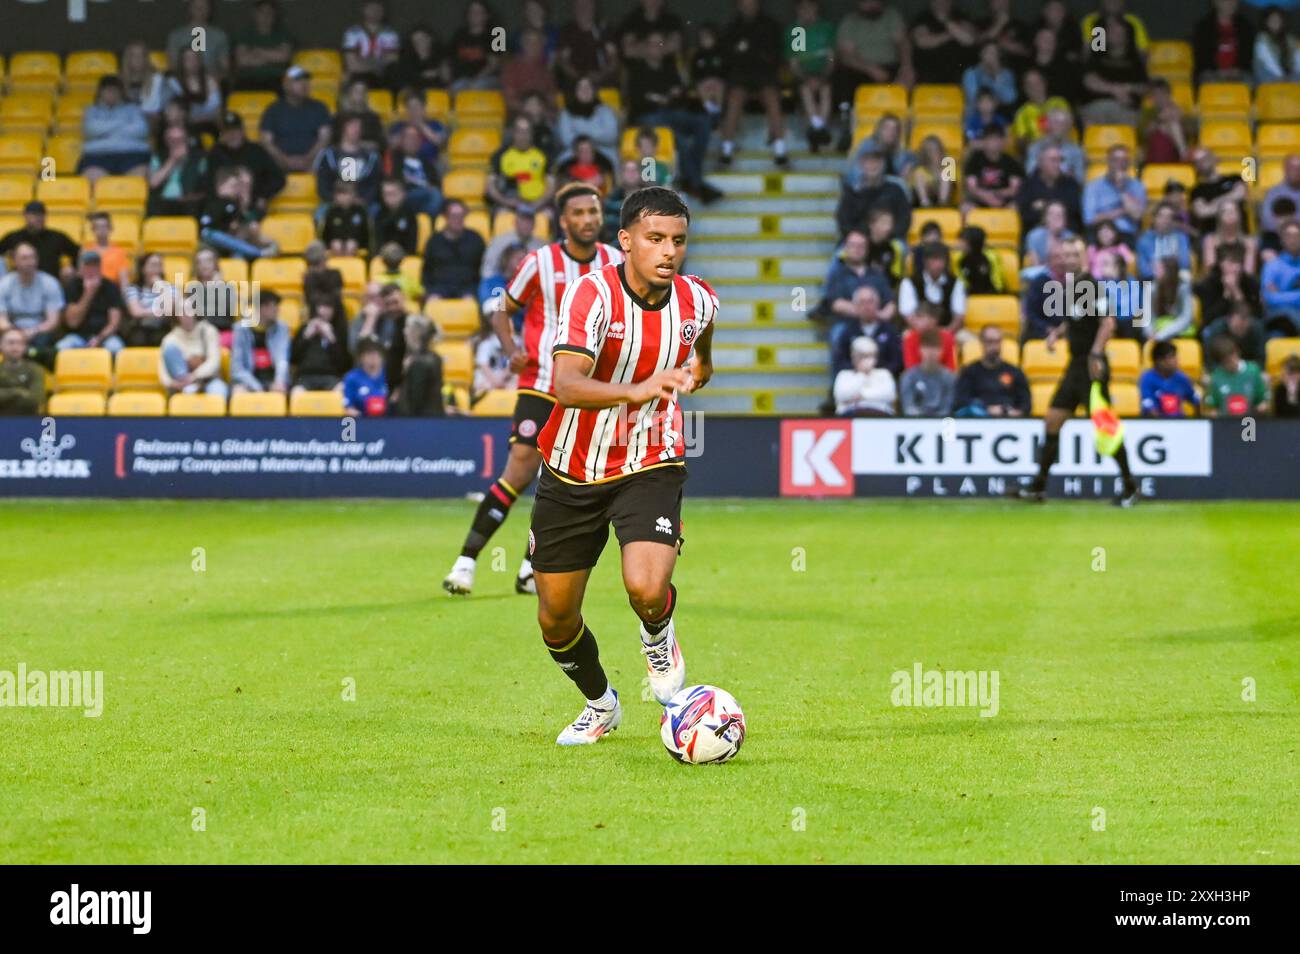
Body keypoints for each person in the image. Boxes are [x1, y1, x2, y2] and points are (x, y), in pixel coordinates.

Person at [524, 186, 716, 746]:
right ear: (626, 241)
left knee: (646, 587)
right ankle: (601, 704)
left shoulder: (698, 299)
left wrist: (698, 368)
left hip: (651, 458)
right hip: (571, 467)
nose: (669, 251)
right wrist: (638, 388)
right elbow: (565, 385)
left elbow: (703, 345)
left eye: (678, 240)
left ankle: (658, 636)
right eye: (655, 239)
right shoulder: (592, 295)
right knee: (556, 619)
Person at [444, 182, 622, 597]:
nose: (587, 219)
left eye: (593, 212)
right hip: (543, 382)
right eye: (578, 213)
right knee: (521, 467)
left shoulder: (615, 261)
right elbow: (502, 308)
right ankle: (466, 562)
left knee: (573, 481)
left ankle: (529, 567)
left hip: (591, 389)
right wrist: (511, 350)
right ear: (563, 221)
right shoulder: (539, 262)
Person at [1012, 239, 1140, 505]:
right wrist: (1056, 334)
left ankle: (1130, 487)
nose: (1067, 259)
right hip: (1075, 365)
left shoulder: (1090, 285)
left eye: (1073, 254)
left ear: (1083, 257)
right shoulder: (1072, 286)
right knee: (1053, 419)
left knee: (1105, 427)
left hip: (1090, 366)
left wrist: (1095, 354)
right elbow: (1075, 320)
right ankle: (1038, 486)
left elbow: (1108, 324)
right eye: (1063, 255)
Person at [625, 29, 722, 201]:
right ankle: (696, 183)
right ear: (645, 47)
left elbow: (683, 93)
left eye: (660, 44)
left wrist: (673, 95)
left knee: (703, 122)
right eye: (652, 44)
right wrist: (656, 99)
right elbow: (635, 101)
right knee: (679, 138)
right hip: (648, 116)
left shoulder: (670, 66)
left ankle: (692, 175)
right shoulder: (636, 70)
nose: (656, 48)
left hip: (671, 112)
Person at [717, 0, 788, 168]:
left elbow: (774, 55)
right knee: (734, 99)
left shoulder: (771, 25)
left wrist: (749, 53)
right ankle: (726, 151)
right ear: (739, 5)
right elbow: (728, 56)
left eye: (752, 2)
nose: (748, 6)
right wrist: (750, 55)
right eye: (744, 3)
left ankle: (780, 151)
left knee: (772, 99)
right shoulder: (732, 26)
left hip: (764, 75)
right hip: (741, 76)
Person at [1078, 11, 1148, 127]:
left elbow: (1144, 87)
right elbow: (1088, 81)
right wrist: (1115, 90)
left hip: (1127, 109)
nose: (1115, 36)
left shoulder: (1134, 59)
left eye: (1119, 33)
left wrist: (1128, 87)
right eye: (1111, 32)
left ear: (1126, 36)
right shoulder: (1097, 53)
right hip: (1097, 106)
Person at [259, 66, 332, 174]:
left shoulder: (319, 108)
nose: (304, 84)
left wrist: (307, 159)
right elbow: (266, 142)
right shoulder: (273, 110)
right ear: (285, 84)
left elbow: (324, 138)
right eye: (297, 80)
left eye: (306, 80)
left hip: (313, 164)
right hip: (280, 165)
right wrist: (284, 160)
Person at [207, 112, 285, 213]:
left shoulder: (256, 151)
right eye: (228, 131)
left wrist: (262, 196)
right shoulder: (215, 154)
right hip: (222, 209)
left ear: (243, 130)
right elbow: (207, 182)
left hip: (252, 207)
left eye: (236, 130)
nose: (232, 135)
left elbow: (278, 178)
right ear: (222, 134)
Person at [78, 76, 151, 183]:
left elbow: (141, 130)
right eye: (108, 90)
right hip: (98, 156)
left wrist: (104, 131)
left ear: (120, 92)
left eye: (115, 90)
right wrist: (123, 124)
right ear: (100, 92)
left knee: (141, 175)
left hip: (132, 155)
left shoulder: (133, 109)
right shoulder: (91, 111)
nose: (111, 94)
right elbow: (91, 130)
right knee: (92, 176)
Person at [786, 0, 835, 151]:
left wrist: (823, 76)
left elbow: (832, 58)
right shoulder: (796, 30)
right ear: (797, 10)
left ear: (817, 8)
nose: (807, 11)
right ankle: (819, 128)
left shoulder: (826, 28)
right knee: (806, 90)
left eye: (810, 7)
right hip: (803, 76)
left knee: (825, 89)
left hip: (824, 74)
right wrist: (806, 78)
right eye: (803, 8)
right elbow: (794, 63)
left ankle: (815, 130)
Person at [199, 166, 277, 260]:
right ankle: (259, 253)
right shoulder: (214, 202)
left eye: (238, 186)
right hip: (212, 237)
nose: (236, 190)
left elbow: (242, 223)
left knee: (239, 254)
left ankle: (238, 268)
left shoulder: (238, 205)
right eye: (234, 186)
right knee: (216, 237)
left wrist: (244, 203)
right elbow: (207, 225)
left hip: (233, 242)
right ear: (220, 186)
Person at [952, 325, 1030, 417]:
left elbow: (1026, 402)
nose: (994, 346)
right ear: (982, 343)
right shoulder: (969, 372)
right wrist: (986, 409)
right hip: (978, 420)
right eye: (990, 342)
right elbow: (961, 400)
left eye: (997, 341)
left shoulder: (1015, 372)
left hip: (1009, 421)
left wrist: (1016, 412)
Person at [57, 251, 126, 355]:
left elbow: (114, 323)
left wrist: (99, 338)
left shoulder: (110, 287)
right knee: (61, 347)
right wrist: (88, 293)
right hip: (78, 335)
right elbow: (72, 322)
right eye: (88, 266)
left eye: (95, 266)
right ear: (80, 269)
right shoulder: (72, 286)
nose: (92, 270)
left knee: (116, 347)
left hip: (104, 336)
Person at [835, 146, 911, 240]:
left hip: (890, 240)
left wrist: (887, 235)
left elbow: (904, 219)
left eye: (877, 161)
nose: (873, 165)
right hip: (859, 242)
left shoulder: (896, 190)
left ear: (883, 163)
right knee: (841, 253)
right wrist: (865, 237)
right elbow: (844, 223)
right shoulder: (852, 193)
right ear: (861, 164)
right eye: (869, 161)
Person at [0, 243, 64, 350]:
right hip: (11, 330)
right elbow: (1, 319)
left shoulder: (50, 282)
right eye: (25, 258)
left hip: (40, 332)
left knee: (45, 341)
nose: (30, 262)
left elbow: (53, 321)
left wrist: (34, 331)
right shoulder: (4, 284)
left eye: (32, 257)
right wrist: (16, 333)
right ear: (15, 261)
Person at [159, 299, 227, 398]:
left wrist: (194, 376)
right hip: (181, 384)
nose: (186, 314)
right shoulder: (169, 339)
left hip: (208, 380)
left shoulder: (208, 331)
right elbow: (163, 372)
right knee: (170, 350)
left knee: (218, 391)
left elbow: (214, 362)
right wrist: (172, 383)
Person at [828, 284, 902, 376]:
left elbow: (897, 361)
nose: (867, 306)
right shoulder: (848, 331)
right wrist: (858, 370)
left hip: (883, 378)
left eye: (870, 302)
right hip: (854, 378)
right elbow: (840, 361)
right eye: (862, 302)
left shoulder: (890, 330)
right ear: (855, 306)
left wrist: (877, 372)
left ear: (878, 304)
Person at [486, 116, 555, 215]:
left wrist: (537, 203)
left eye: (527, 131)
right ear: (513, 133)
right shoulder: (500, 155)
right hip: (509, 205)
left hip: (538, 205)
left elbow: (551, 186)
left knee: (548, 215)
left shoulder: (543, 155)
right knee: (501, 215)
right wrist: (506, 201)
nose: (523, 136)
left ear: (532, 134)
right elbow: (490, 186)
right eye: (519, 131)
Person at [898, 242, 967, 339]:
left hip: (948, 331)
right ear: (925, 261)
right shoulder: (909, 282)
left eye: (941, 259)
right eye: (934, 259)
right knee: (906, 336)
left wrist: (946, 333)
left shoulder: (956, 283)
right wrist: (924, 331)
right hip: (917, 330)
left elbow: (959, 316)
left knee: (967, 339)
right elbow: (908, 315)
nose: (938, 264)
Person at [422, 201, 486, 300]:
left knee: (470, 302)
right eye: (454, 216)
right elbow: (426, 270)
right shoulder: (434, 241)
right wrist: (429, 290)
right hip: (440, 286)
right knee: (433, 300)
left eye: (461, 216)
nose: (458, 220)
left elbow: (483, 267)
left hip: (468, 286)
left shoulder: (475, 239)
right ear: (445, 217)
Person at [349, 283, 410, 388]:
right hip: (363, 375)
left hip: (390, 375)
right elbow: (355, 350)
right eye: (370, 297)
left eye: (378, 297)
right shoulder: (358, 321)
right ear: (363, 300)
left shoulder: (393, 319)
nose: (375, 301)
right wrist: (370, 319)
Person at [230, 289, 290, 394]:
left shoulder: (282, 328)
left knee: (280, 391)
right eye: (273, 306)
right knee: (238, 392)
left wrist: (279, 381)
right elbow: (237, 368)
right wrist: (256, 387)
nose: (277, 310)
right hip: (249, 380)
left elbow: (282, 360)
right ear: (262, 308)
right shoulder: (241, 329)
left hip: (272, 380)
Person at [1082, 145, 1147, 242]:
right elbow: (1089, 220)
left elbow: (1137, 216)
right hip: (1100, 236)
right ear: (1108, 162)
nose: (1120, 164)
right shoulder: (1093, 187)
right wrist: (1124, 210)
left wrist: (1121, 189)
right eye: (1116, 160)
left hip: (1126, 235)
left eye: (1124, 160)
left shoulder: (1137, 186)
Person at [315, 114, 382, 208]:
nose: (356, 129)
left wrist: (363, 200)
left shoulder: (372, 157)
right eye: (352, 126)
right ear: (342, 128)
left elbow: (375, 184)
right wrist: (335, 199)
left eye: (359, 126)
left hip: (365, 204)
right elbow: (322, 184)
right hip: (333, 203)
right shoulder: (328, 155)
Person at [0, 202, 81, 279]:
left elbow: (78, 253)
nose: (40, 218)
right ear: (25, 216)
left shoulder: (57, 237)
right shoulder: (13, 237)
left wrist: (71, 267)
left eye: (42, 215)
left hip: (51, 285)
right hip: (20, 285)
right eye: (35, 215)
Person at [555, 75, 620, 168]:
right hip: (575, 153)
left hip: (604, 151)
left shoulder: (606, 110)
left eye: (588, 87)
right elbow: (567, 140)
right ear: (575, 92)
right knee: (561, 163)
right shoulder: (566, 113)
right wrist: (595, 137)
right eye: (581, 87)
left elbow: (612, 135)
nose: (585, 90)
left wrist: (581, 133)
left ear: (594, 91)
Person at [909, 0, 977, 86]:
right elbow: (921, 41)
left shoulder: (961, 16)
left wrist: (946, 21)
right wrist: (953, 34)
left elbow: (969, 40)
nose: (941, 2)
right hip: (929, 76)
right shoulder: (923, 18)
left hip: (959, 76)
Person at [290, 297, 351, 393]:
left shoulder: (340, 331)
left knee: (341, 390)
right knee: (296, 393)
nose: (324, 310)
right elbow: (293, 358)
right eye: (321, 306)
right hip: (305, 377)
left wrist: (331, 338)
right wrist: (306, 337)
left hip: (331, 377)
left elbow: (344, 364)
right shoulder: (304, 329)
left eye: (328, 307)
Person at [1017, 144, 1082, 234]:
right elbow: (1025, 215)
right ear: (1041, 162)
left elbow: (1074, 211)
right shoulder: (1027, 185)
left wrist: (1043, 206)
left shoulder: (1071, 184)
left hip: (1066, 234)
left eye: (1060, 160)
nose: (1058, 164)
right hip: (1036, 234)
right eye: (1053, 160)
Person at [147, 124, 209, 217]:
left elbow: (207, 187)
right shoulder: (159, 157)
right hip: (162, 204)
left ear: (187, 140)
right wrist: (172, 161)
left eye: (180, 139)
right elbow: (153, 183)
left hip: (191, 204)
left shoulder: (199, 158)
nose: (176, 143)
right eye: (172, 140)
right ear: (166, 140)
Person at [232, 0, 295, 92]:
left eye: (269, 12)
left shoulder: (283, 34)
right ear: (255, 14)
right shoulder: (244, 35)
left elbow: (284, 56)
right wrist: (272, 55)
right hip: (248, 80)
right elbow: (242, 60)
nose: (265, 16)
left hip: (276, 80)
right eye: (261, 12)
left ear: (274, 15)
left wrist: (257, 52)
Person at [556, 0, 620, 88]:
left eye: (587, 4)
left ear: (594, 6)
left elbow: (613, 59)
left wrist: (602, 74)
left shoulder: (604, 29)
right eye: (578, 4)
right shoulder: (567, 31)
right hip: (576, 85)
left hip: (603, 83)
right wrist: (581, 78)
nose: (583, 8)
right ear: (573, 8)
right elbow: (563, 62)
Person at [1189, 147, 1248, 242]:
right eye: (1199, 160)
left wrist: (1216, 202)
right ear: (1196, 166)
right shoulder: (1197, 190)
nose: (1203, 162)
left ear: (1214, 158)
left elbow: (1240, 193)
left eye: (1206, 157)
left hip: (1240, 235)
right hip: (1213, 238)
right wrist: (1229, 203)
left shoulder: (1234, 178)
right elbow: (1202, 212)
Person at [384, 123, 443, 218]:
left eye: (415, 138)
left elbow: (436, 183)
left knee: (436, 195)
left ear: (419, 142)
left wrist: (430, 187)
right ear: (402, 141)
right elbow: (389, 180)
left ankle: (425, 224)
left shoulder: (426, 161)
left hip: (424, 197)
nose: (412, 141)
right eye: (409, 138)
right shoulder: (394, 159)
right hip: (404, 195)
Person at [960, 123, 1022, 211]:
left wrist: (997, 194)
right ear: (984, 141)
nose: (993, 143)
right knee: (966, 207)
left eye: (996, 139)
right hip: (980, 200)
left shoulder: (1011, 162)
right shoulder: (974, 160)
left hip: (1003, 200)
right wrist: (986, 196)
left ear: (1002, 142)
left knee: (1015, 207)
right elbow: (972, 187)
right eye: (990, 139)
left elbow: (1014, 189)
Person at [165, 47, 226, 135]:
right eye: (188, 59)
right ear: (181, 62)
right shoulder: (174, 83)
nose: (192, 62)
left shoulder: (211, 81)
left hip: (211, 128)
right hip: (185, 131)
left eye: (195, 58)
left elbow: (219, 112)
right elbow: (172, 115)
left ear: (200, 61)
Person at [1204, 335, 1270, 417]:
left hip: (1250, 422)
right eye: (1226, 362)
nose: (1231, 363)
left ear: (1237, 352)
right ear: (1220, 363)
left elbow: (1262, 401)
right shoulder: (1217, 377)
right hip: (1225, 423)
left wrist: (1261, 408)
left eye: (1232, 357)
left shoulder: (1253, 371)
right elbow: (1212, 407)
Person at [1196, 245, 1261, 327]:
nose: (1234, 268)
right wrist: (1225, 296)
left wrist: (1237, 293)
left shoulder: (1251, 284)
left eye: (1237, 263)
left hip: (1245, 328)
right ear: (1221, 264)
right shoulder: (1207, 285)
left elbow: (1256, 316)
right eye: (1230, 263)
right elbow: (1208, 319)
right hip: (1216, 329)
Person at [394, 314, 445, 416]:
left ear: (416, 332)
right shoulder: (435, 357)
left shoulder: (418, 362)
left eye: (407, 327)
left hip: (420, 422)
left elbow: (416, 400)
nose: (404, 331)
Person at [1192, 0, 1255, 83]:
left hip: (1238, 73)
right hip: (1212, 72)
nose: (1230, 4)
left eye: (1233, 1)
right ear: (1215, 2)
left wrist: (1237, 69)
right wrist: (1218, 71)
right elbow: (1201, 56)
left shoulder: (1245, 26)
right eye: (1226, 1)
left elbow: (1248, 53)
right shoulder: (1204, 26)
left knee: (1250, 82)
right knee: (1209, 81)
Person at [165, 0, 231, 78]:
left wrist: (213, 80)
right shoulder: (176, 36)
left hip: (213, 82)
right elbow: (173, 66)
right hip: (182, 84)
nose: (200, 9)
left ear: (210, 9)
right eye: (196, 6)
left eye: (204, 7)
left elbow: (225, 67)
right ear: (189, 9)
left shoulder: (219, 35)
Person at [833, 335, 896, 416]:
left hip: (880, 415)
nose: (868, 360)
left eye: (871, 355)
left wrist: (862, 395)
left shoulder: (884, 374)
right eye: (863, 356)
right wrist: (861, 375)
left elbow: (889, 395)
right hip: (850, 416)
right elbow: (841, 395)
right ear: (854, 357)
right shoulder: (844, 375)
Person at [502, 28, 557, 117]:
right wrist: (530, 109)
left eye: (537, 42)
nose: (533, 45)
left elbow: (551, 98)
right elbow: (509, 100)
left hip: (543, 117)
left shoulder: (546, 70)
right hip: (520, 117)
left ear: (542, 46)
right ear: (523, 45)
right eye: (529, 41)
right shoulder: (512, 68)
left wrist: (544, 110)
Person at [899, 328, 955, 416]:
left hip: (941, 422)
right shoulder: (908, 376)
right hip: (915, 423)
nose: (931, 352)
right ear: (919, 350)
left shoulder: (949, 377)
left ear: (941, 351)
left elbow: (947, 407)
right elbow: (908, 406)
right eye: (927, 347)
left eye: (935, 348)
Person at [447, 0, 501, 91]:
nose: (474, 15)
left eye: (478, 12)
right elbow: (449, 58)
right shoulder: (459, 34)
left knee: (476, 86)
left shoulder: (498, 33)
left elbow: (494, 64)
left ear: (486, 15)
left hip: (488, 79)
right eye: (471, 12)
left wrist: (474, 80)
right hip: (462, 79)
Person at [123, 253, 174, 347]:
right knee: (138, 339)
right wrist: (160, 312)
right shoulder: (134, 289)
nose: (157, 269)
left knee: (163, 339)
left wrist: (161, 287)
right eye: (153, 265)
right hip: (140, 328)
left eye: (159, 265)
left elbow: (171, 309)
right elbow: (136, 312)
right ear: (143, 269)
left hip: (162, 328)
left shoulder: (170, 288)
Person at [342, 0, 401, 82]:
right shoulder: (353, 33)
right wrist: (376, 66)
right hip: (359, 75)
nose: (375, 11)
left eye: (378, 8)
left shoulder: (390, 34)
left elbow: (392, 61)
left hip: (383, 76)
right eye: (371, 8)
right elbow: (352, 64)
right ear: (364, 10)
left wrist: (366, 64)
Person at [1139, 340, 1199, 417]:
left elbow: (1195, 401)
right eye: (1171, 357)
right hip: (1156, 425)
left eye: (1175, 356)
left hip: (1180, 424)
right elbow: (1149, 409)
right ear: (1159, 361)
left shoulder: (1181, 378)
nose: (1176, 360)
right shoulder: (1147, 379)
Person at [1261, 220, 1300, 336]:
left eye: (1297, 235)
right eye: (1289, 235)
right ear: (1282, 240)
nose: (1293, 239)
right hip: (1280, 317)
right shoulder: (1272, 266)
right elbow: (1270, 298)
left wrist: (1281, 295)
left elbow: (1277, 296)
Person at [1202, 300, 1267, 369]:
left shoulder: (1257, 329)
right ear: (1228, 320)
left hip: (1248, 370)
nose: (1240, 332)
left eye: (1244, 328)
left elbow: (1261, 358)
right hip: (1221, 370)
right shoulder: (1216, 329)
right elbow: (1209, 358)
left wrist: (1249, 370)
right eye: (1237, 327)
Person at [1137, 202, 1193, 280]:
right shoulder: (1145, 240)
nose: (1165, 220)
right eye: (1161, 216)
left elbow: (1185, 263)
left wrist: (1158, 264)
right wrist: (1172, 261)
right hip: (1152, 279)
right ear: (1153, 219)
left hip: (1176, 279)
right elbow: (1143, 271)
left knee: (1186, 276)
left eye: (1169, 217)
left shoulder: (1181, 237)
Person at [390, 23, 450, 91]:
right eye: (415, 41)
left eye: (421, 40)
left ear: (430, 39)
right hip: (415, 94)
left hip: (437, 94)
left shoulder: (440, 56)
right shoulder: (407, 58)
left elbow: (446, 79)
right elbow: (404, 79)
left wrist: (442, 73)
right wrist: (423, 75)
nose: (419, 44)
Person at [0, 327, 45, 415]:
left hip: (28, 422)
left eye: (20, 343)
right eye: (11, 342)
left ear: (25, 346)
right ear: (1, 345)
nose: (15, 347)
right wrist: (19, 392)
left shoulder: (35, 369)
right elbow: (28, 397)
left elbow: (37, 399)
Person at [341, 337, 390, 416]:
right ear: (361, 357)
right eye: (369, 353)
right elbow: (347, 408)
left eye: (377, 352)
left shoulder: (391, 376)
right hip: (362, 422)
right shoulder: (352, 378)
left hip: (390, 422)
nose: (374, 356)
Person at [321, 180, 371, 257]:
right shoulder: (331, 212)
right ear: (335, 195)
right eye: (341, 193)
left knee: (350, 245)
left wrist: (356, 243)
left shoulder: (361, 211)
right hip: (335, 246)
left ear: (354, 194)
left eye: (348, 193)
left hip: (357, 245)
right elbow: (325, 235)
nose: (344, 197)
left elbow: (366, 235)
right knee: (336, 245)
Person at [901, 301, 957, 371]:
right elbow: (911, 368)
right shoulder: (910, 339)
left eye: (920, 317)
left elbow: (951, 367)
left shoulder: (948, 338)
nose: (914, 320)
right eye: (915, 316)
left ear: (933, 320)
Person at [372, 179, 420, 256]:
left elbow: (412, 242)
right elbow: (378, 241)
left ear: (402, 194)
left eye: (392, 193)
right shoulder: (379, 215)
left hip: (405, 257)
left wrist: (398, 251)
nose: (389, 198)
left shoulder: (410, 214)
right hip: (384, 256)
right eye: (385, 194)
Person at [1254, 5, 1300, 83]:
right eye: (1272, 20)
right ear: (1266, 22)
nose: (1275, 23)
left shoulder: (1289, 39)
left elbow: (1297, 57)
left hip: (1289, 75)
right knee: (1262, 71)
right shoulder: (1262, 38)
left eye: (1278, 20)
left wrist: (1295, 72)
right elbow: (1269, 61)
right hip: (1271, 74)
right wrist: (1281, 77)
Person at [82, 213, 129, 286]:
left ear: (110, 229)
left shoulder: (119, 252)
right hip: (91, 288)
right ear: (93, 230)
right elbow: (82, 276)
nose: (101, 230)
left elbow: (124, 279)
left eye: (104, 226)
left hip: (112, 289)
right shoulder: (86, 251)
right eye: (98, 227)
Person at [909, 134, 954, 209]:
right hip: (921, 201)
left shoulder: (947, 167)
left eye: (936, 150)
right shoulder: (920, 171)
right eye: (930, 150)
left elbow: (952, 185)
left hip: (942, 199)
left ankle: (942, 204)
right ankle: (925, 204)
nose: (934, 153)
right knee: (919, 175)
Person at [1273, 353, 1300, 418]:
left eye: (1294, 374)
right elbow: (1278, 414)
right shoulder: (1280, 389)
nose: (1292, 378)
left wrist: (1292, 395)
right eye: (1289, 374)